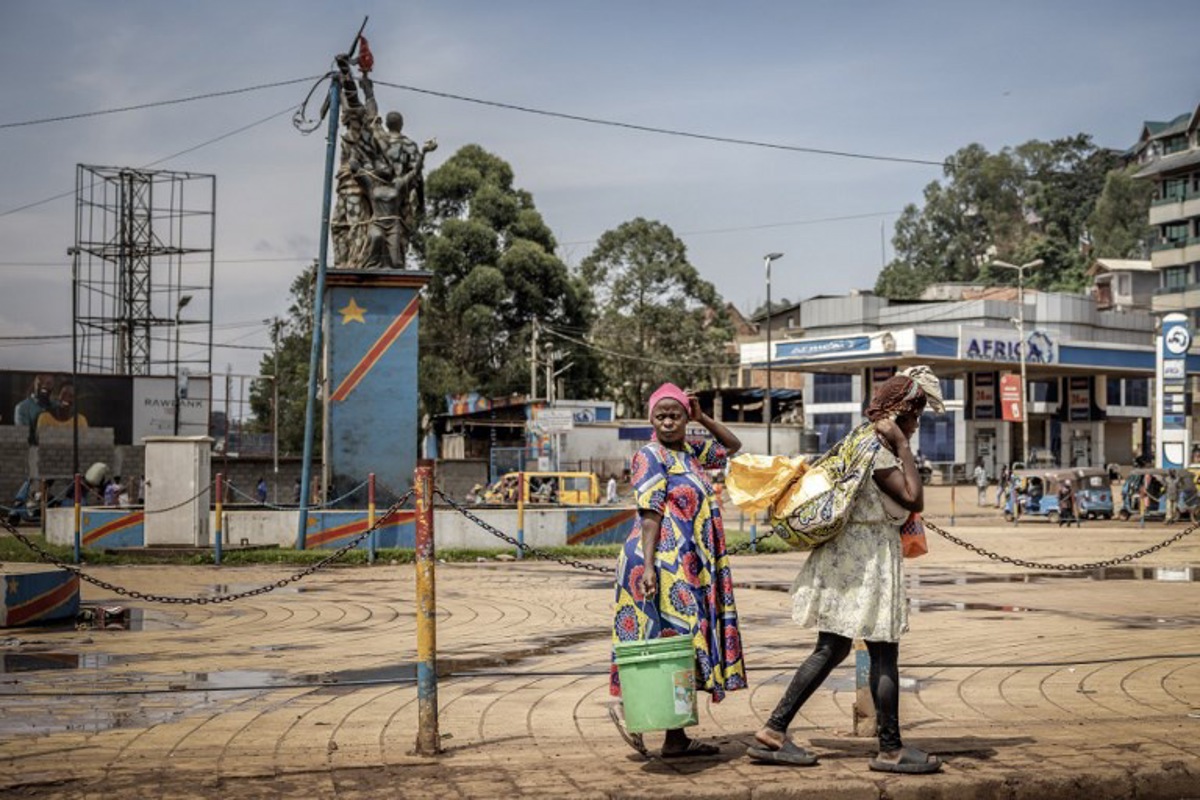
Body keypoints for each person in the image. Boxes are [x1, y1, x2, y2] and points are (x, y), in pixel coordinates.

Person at [750, 365, 943, 774]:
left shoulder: (858, 437)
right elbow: (914, 498)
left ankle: (772, 731)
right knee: (884, 650)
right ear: (896, 413)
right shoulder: (880, 449)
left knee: (832, 647)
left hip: (843, 557)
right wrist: (903, 449)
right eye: (914, 416)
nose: (916, 424)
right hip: (867, 560)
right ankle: (890, 749)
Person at [610, 382, 743, 758]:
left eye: (676, 415)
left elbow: (733, 447)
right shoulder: (649, 456)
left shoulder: (692, 451)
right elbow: (650, 513)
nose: (668, 422)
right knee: (667, 641)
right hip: (660, 562)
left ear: (686, 417)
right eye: (661, 415)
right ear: (651, 418)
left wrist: (704, 419)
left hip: (687, 562)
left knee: (678, 644)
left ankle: (675, 738)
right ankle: (634, 711)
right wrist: (650, 565)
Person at [14, 374, 56, 445]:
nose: (44, 386)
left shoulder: (56, 406)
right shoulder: (22, 408)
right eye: (40, 382)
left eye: (48, 384)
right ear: (35, 383)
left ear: (53, 386)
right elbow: (24, 437)